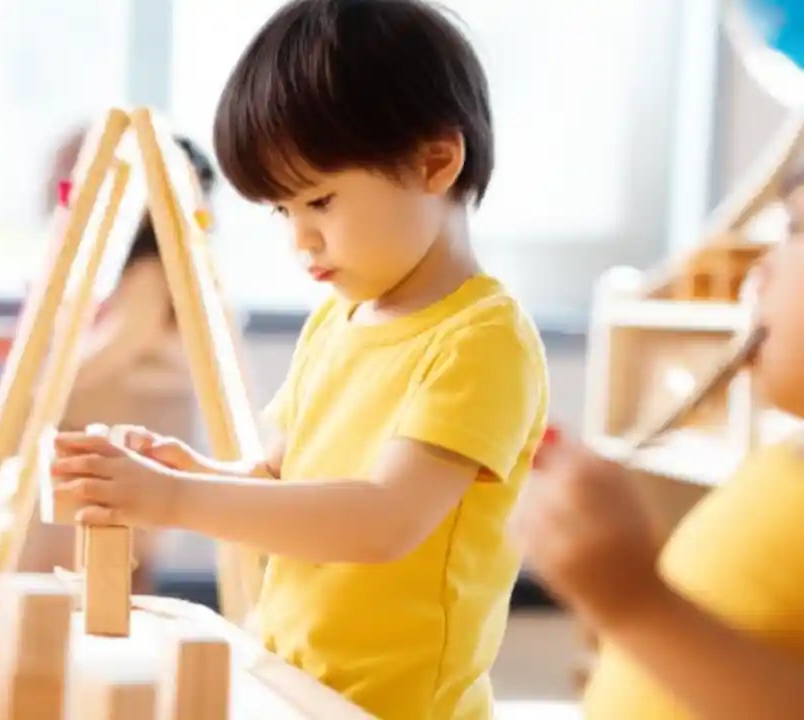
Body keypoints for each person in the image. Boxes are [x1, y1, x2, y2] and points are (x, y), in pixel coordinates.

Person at [51, 1, 549, 717]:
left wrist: (175, 500)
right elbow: (281, 480)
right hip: (291, 685)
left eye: (319, 200)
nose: (301, 241)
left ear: (435, 161)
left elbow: (381, 520)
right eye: (283, 212)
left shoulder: (482, 339)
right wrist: (186, 473)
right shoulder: (336, 322)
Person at [514, 234, 804, 718]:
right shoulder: (779, 466)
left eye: (798, 230)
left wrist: (634, 605)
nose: (761, 267)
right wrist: (606, 587)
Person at [19, 129, 216, 592]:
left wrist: (43, 383)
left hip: (134, 417)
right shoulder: (137, 265)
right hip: (122, 415)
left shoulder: (154, 267)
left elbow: (118, 344)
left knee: (112, 552)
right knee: (108, 550)